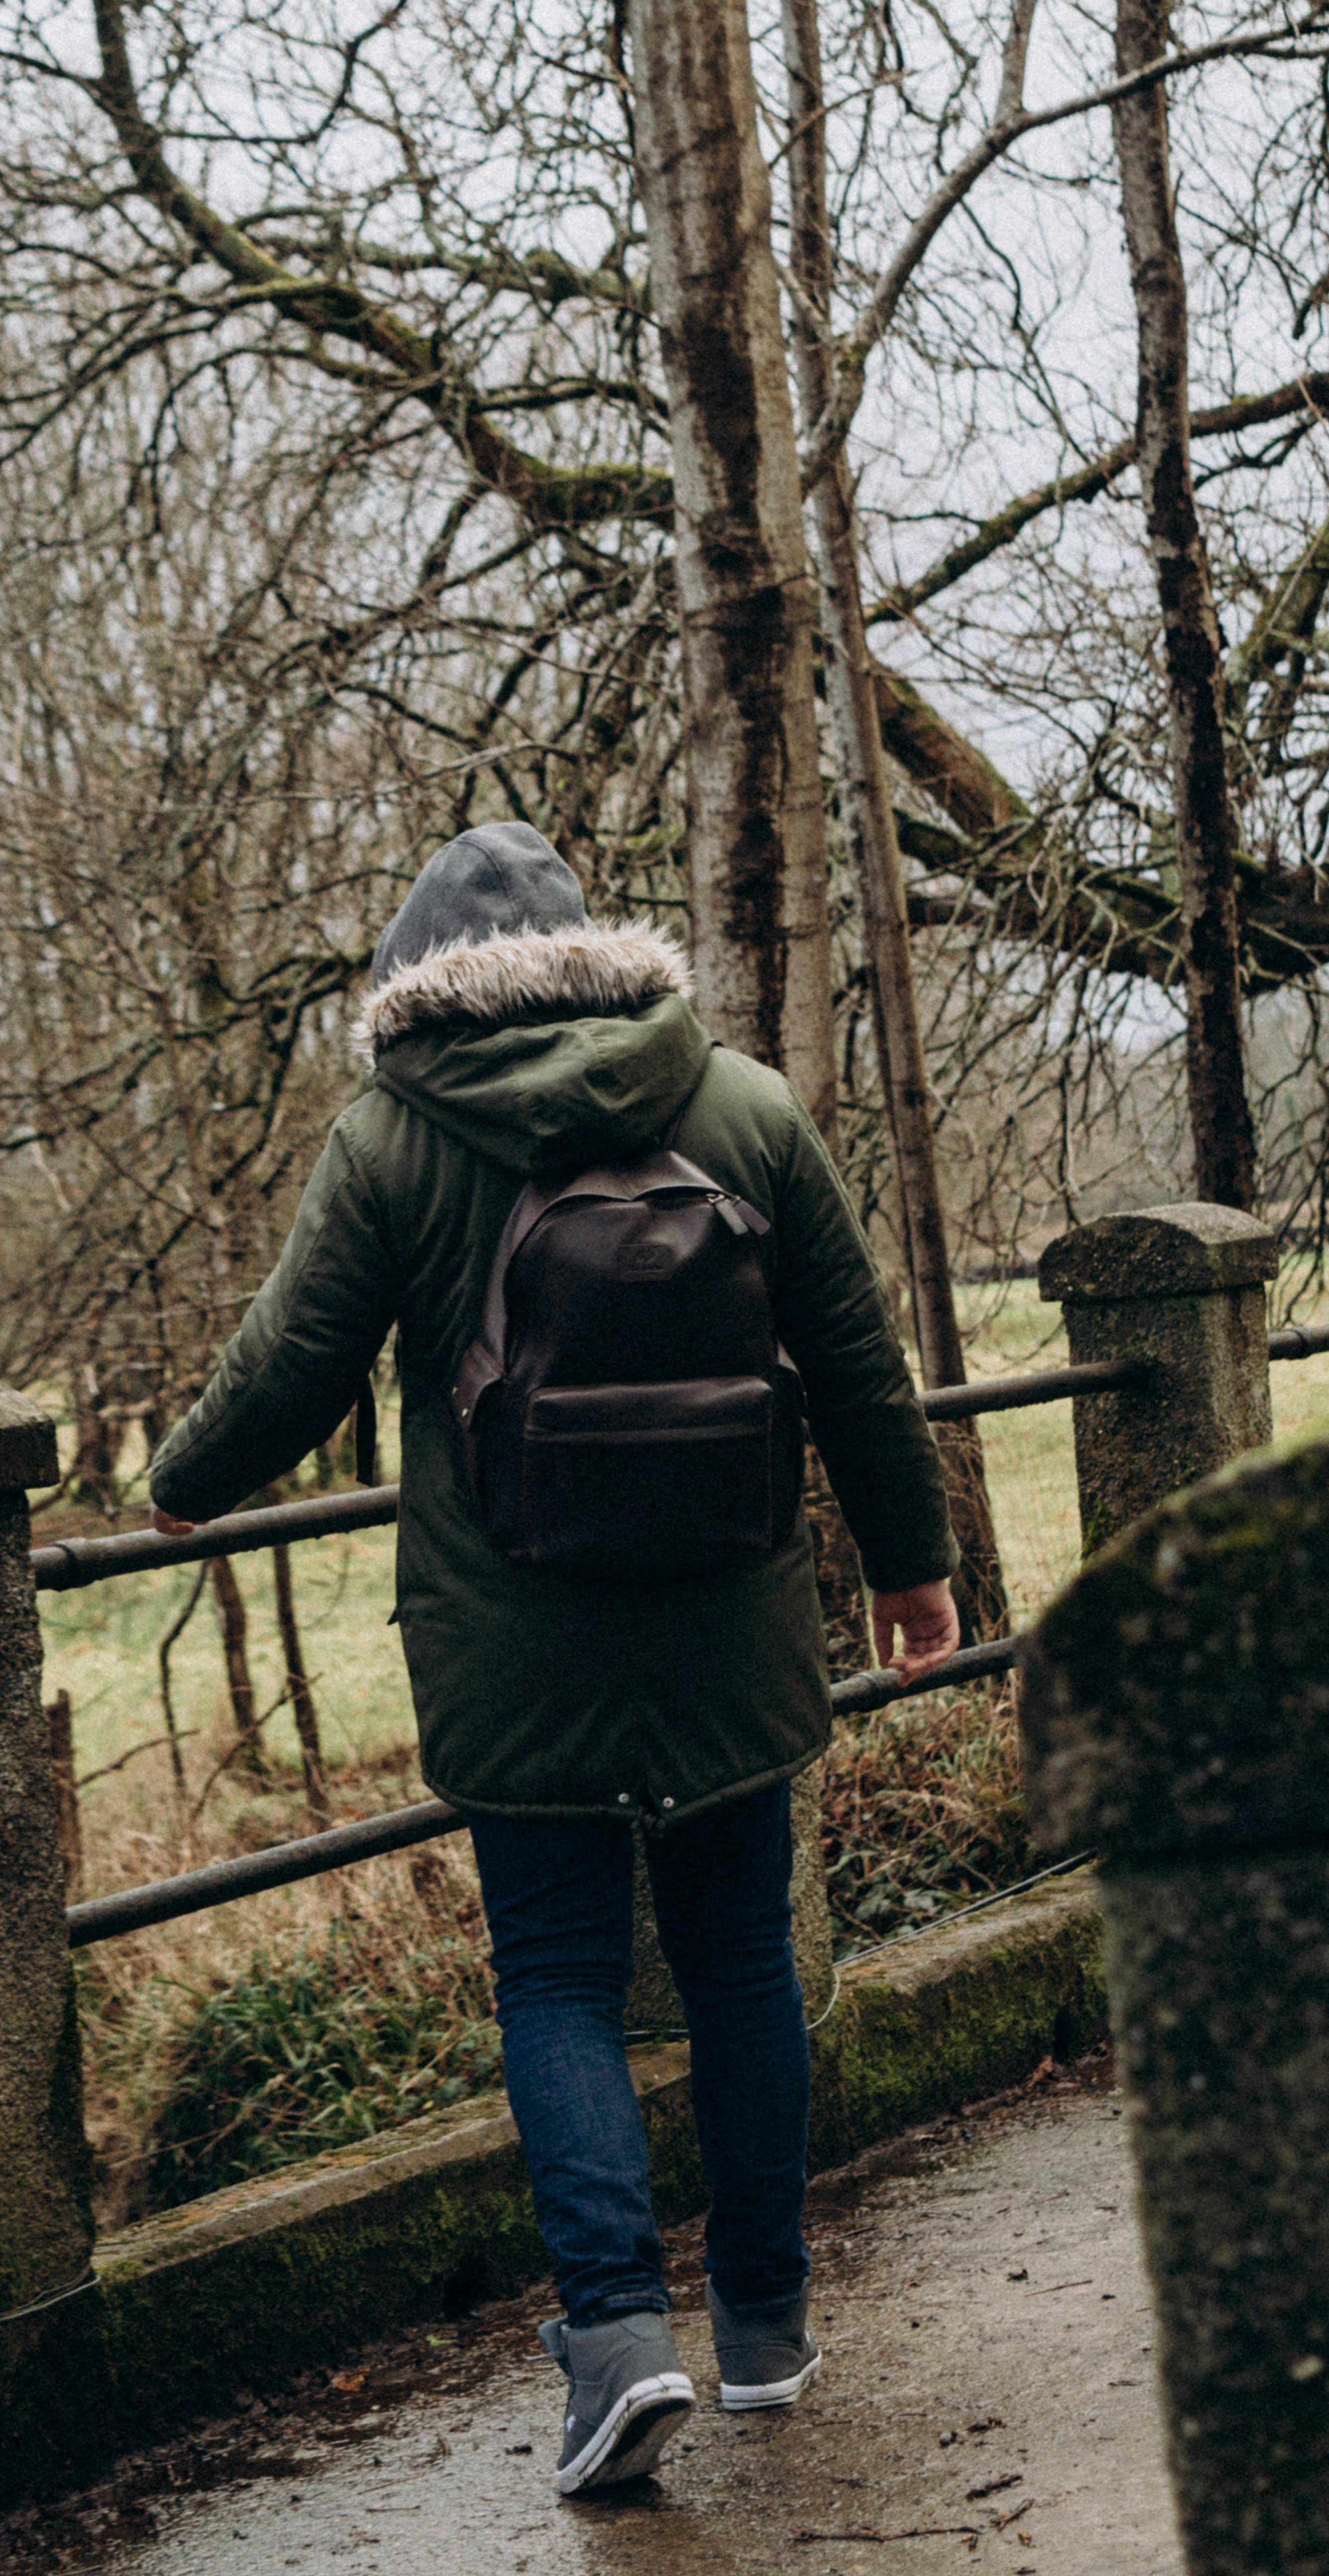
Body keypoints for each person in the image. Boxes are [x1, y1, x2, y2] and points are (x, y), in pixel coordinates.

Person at [148, 825, 959, 2495]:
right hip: (732, 1611)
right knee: (740, 1958)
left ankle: (614, 2343)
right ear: (600, 952)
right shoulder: (739, 1103)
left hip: (513, 1628)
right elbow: (861, 1361)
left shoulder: (392, 1134)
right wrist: (912, 1564)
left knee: (561, 1977)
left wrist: (178, 1487)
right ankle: (764, 2326)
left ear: (415, 982)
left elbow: (292, 1368)